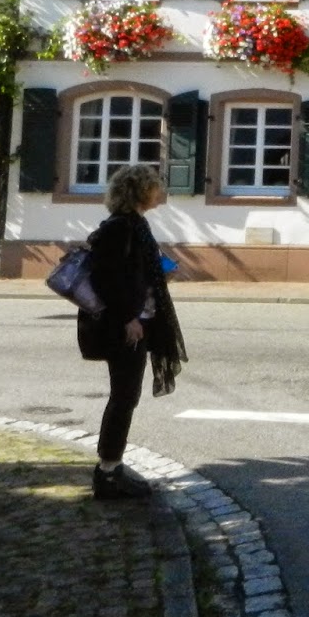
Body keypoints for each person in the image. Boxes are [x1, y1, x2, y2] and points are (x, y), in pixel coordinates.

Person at [79, 163, 187, 501]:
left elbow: (131, 274)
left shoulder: (135, 226)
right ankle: (108, 472)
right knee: (123, 398)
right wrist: (128, 318)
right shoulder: (120, 229)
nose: (160, 191)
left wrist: (157, 277)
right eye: (155, 186)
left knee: (126, 397)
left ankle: (112, 468)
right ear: (140, 191)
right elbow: (106, 281)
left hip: (135, 323)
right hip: (125, 328)